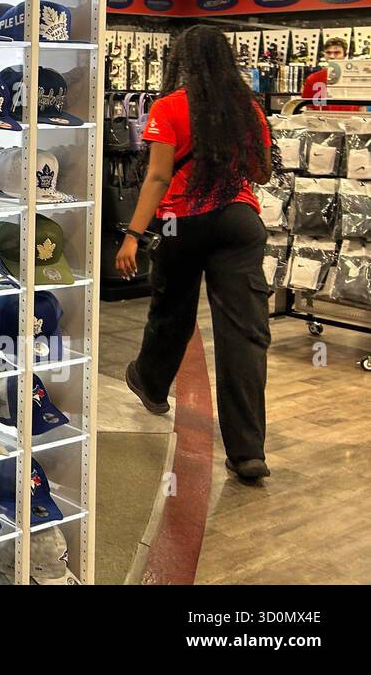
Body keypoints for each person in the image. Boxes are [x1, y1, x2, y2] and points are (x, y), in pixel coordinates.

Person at [116, 24, 274, 482]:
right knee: (244, 334)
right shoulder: (247, 108)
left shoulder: (168, 107)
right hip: (239, 223)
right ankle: (248, 452)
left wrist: (132, 234)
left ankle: (150, 382)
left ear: (180, 60)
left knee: (171, 311)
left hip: (177, 223)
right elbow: (261, 174)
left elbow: (159, 178)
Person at [301, 35, 362, 111]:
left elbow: (362, 107)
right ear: (324, 55)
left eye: (337, 52)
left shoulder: (356, 78)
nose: (332, 56)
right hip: (321, 121)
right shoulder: (313, 78)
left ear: (345, 55)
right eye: (328, 53)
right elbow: (309, 107)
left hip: (350, 121)